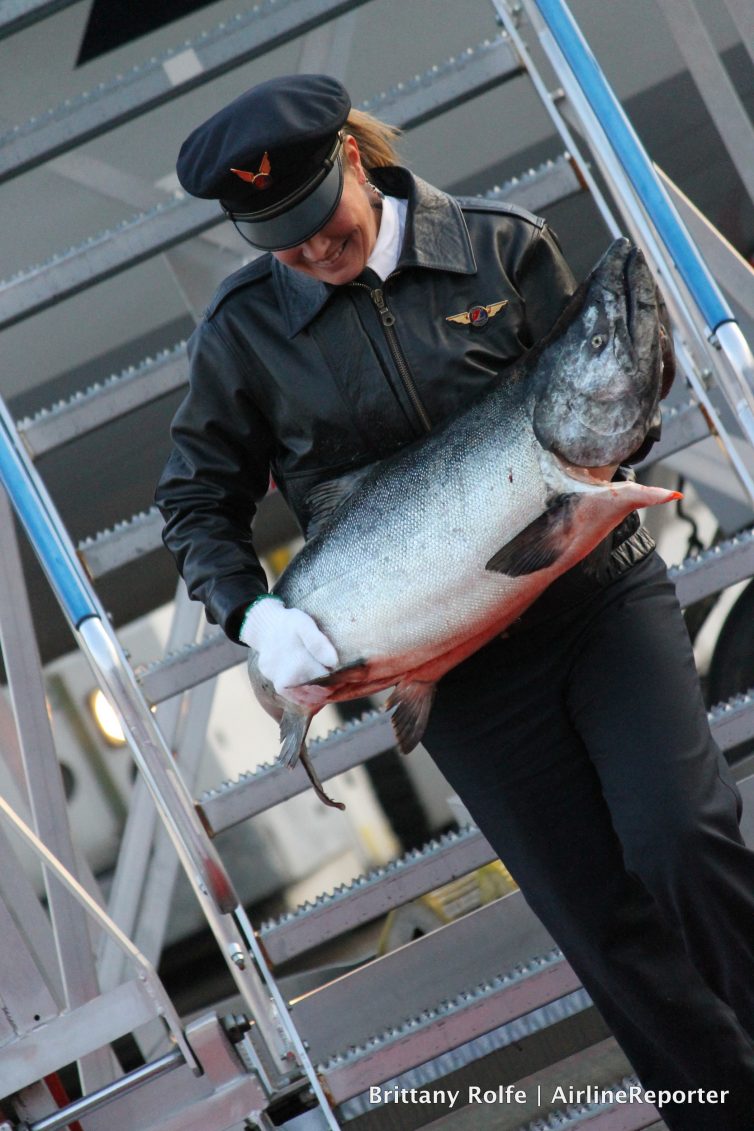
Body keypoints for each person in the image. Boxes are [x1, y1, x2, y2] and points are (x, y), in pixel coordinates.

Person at [155, 74, 754, 1129]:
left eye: (313, 220)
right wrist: (256, 616)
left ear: (351, 156)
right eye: (275, 240)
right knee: (599, 924)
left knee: (679, 838)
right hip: (461, 681)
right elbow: (195, 501)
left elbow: (614, 394)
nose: (306, 251)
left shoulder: (496, 245)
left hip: (598, 605)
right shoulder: (241, 336)